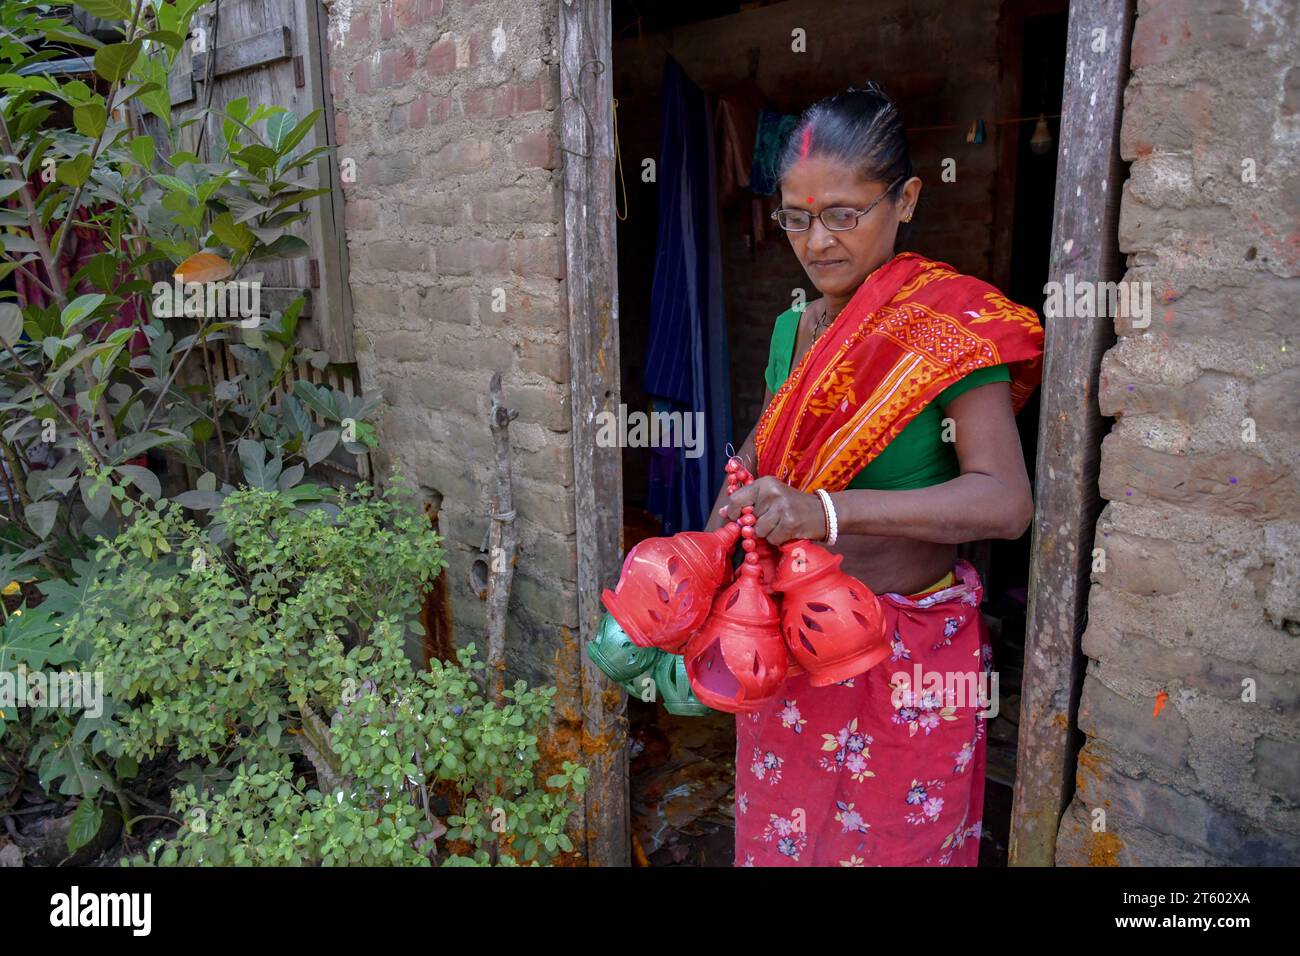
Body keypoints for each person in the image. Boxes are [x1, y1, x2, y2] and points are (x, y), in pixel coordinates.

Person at [706, 83, 1044, 866]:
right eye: (795, 216)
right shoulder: (793, 329)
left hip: (907, 650)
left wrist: (825, 512)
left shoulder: (953, 330)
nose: (817, 241)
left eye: (843, 215)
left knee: (897, 845)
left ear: (907, 199)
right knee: (789, 839)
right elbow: (764, 448)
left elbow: (1005, 502)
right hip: (789, 644)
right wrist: (729, 513)